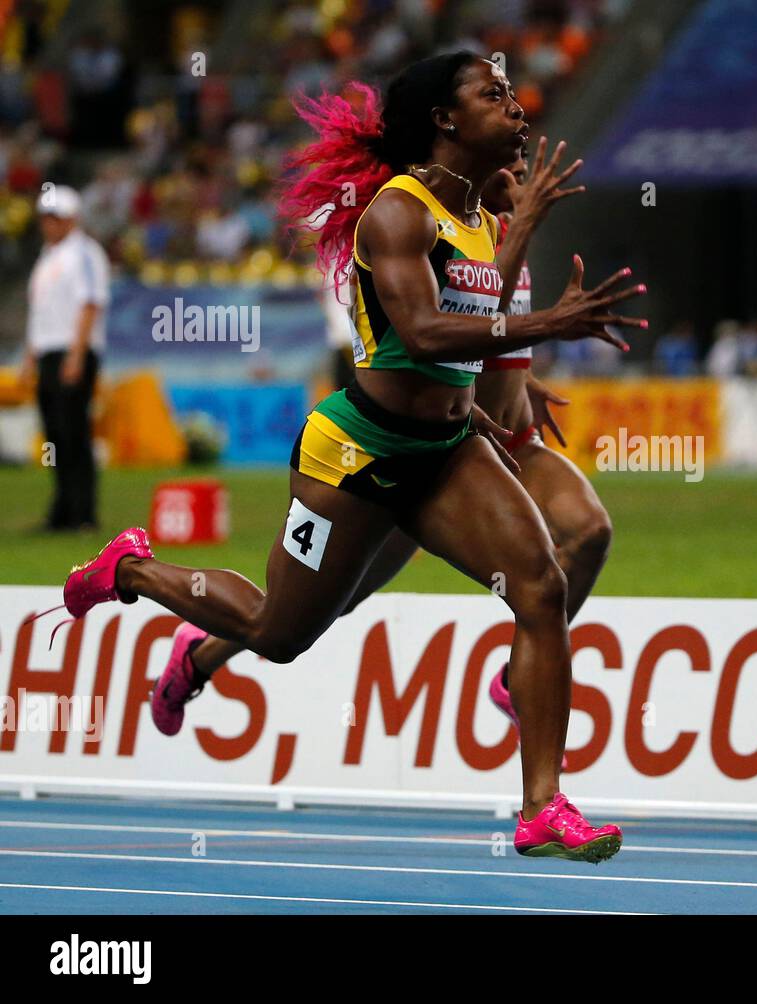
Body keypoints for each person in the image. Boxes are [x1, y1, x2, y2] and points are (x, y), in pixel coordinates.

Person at [43, 53, 646, 863]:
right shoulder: (398, 215)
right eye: (492, 94)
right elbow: (426, 337)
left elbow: (480, 321)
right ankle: (132, 570)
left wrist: (518, 369)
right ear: (444, 118)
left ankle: (541, 807)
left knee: (541, 586)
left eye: (513, 93)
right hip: (355, 456)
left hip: (446, 449)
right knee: (279, 632)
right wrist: (545, 326)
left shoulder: (477, 216)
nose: (517, 107)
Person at [182, 146, 616, 774]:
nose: (519, 181)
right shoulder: (451, 239)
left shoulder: (486, 233)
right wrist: (524, 242)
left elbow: (494, 344)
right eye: (508, 173)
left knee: (584, 535)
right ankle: (201, 651)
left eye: (521, 175)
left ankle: (518, 695)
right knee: (316, 610)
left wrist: (524, 381)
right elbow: (460, 328)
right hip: (411, 448)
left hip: (496, 439)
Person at [21, 184, 110, 532]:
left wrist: (76, 354)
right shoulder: (47, 257)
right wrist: (31, 355)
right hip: (48, 351)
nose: (48, 224)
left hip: (72, 350)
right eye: (45, 218)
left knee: (74, 431)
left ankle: (83, 511)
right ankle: (62, 508)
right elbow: (39, 311)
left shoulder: (84, 254)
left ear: (71, 219)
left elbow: (91, 303)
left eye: (54, 218)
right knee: (55, 435)